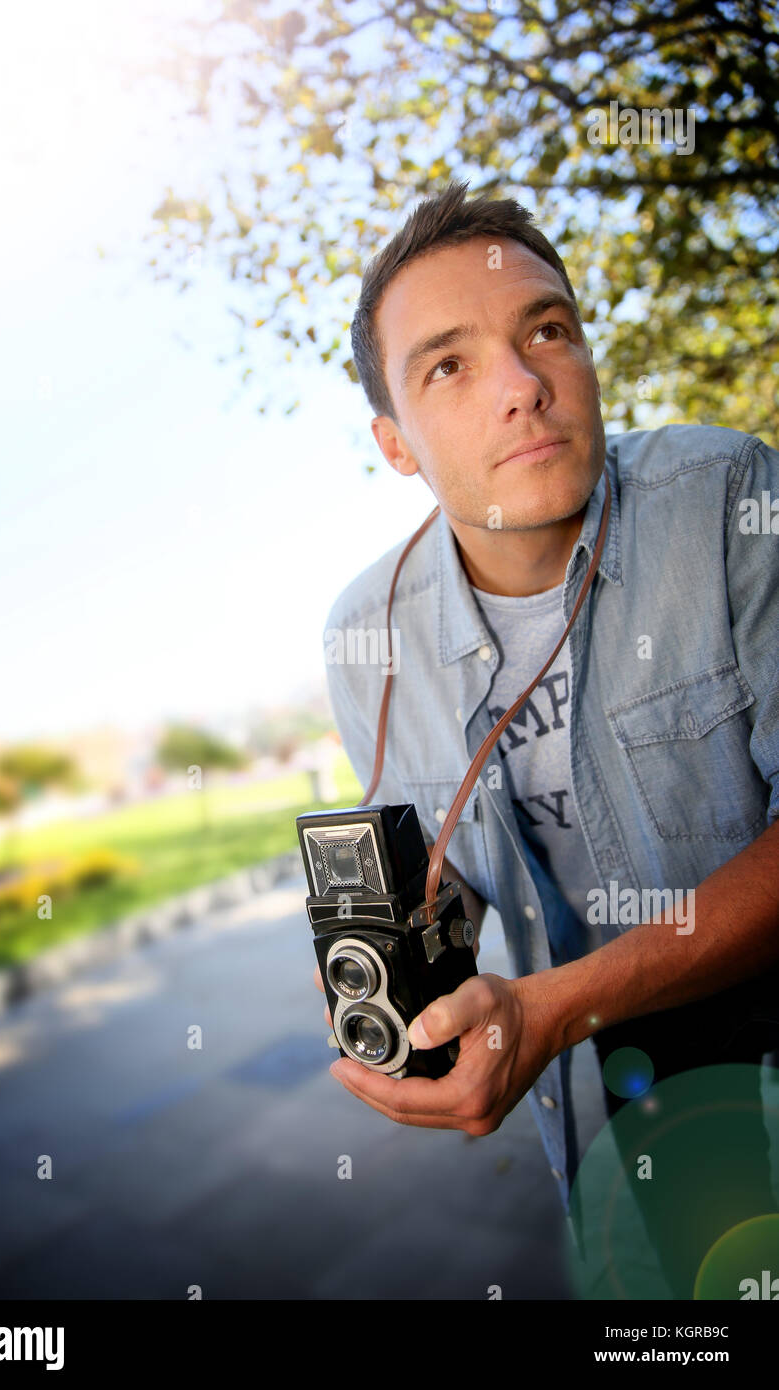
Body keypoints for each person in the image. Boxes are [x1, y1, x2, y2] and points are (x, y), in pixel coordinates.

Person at [314, 179, 779, 1298]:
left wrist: (547, 1007)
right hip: (608, 1108)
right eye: (448, 366)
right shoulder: (362, 635)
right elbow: (453, 885)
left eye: (545, 330)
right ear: (394, 442)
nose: (521, 387)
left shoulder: (728, 497)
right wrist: (403, 974)